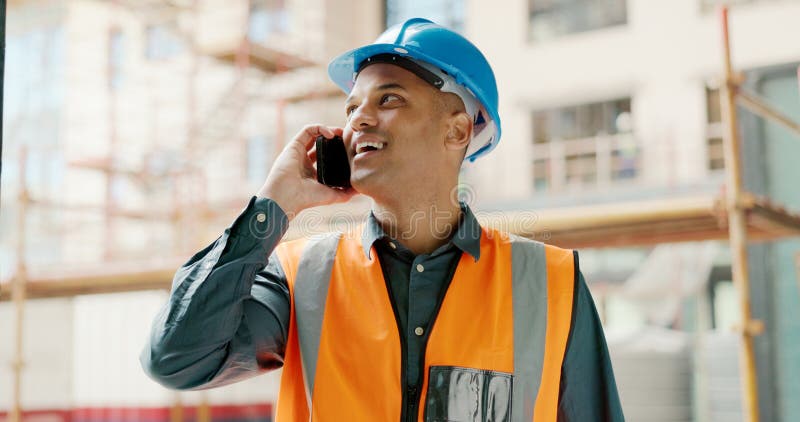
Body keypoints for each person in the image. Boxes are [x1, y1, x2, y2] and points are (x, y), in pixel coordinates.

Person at [141, 18, 624, 421]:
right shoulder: (299, 277)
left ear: (457, 130)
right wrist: (273, 206)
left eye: (388, 99)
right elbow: (175, 359)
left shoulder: (551, 283)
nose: (358, 120)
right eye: (352, 107)